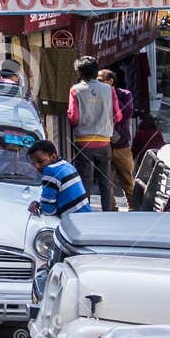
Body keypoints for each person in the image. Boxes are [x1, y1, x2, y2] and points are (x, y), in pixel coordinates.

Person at [67, 58, 122, 211]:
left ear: (79, 72)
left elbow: (73, 117)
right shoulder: (109, 89)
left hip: (83, 142)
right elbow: (118, 116)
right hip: (104, 142)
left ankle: (86, 211)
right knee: (105, 180)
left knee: (84, 179)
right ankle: (107, 211)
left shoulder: (75, 90)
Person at [100, 68, 137, 206]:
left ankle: (134, 208)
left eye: (100, 81)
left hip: (121, 146)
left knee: (127, 180)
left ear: (110, 81)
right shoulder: (96, 96)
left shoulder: (125, 94)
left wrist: (112, 95)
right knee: (106, 181)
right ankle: (111, 209)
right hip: (104, 144)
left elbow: (125, 113)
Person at [26, 140, 93, 218]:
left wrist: (39, 207)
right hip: (87, 217)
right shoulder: (67, 165)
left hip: (75, 222)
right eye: (34, 164)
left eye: (40, 161)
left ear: (53, 157)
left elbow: (48, 210)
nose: (37, 166)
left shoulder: (50, 171)